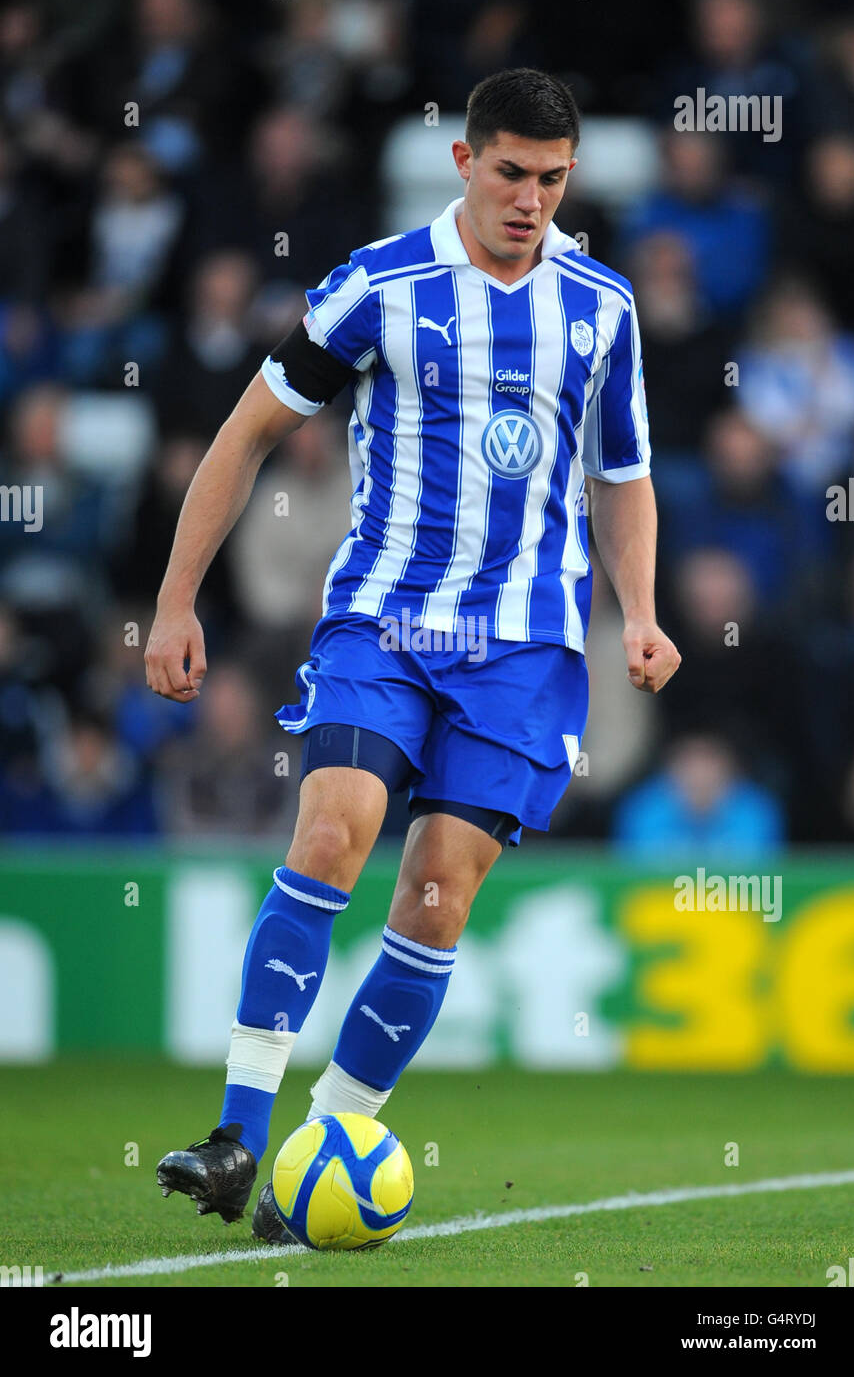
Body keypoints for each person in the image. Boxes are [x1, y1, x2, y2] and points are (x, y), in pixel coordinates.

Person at [144, 67, 680, 1241]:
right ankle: (236, 1134)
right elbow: (245, 436)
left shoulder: (600, 307)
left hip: (524, 650)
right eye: (508, 173)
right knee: (332, 828)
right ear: (462, 162)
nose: (529, 198)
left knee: (434, 899)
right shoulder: (377, 286)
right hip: (384, 621)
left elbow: (621, 476)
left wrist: (638, 611)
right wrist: (176, 600)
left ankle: (317, 1151)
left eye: (550, 179)